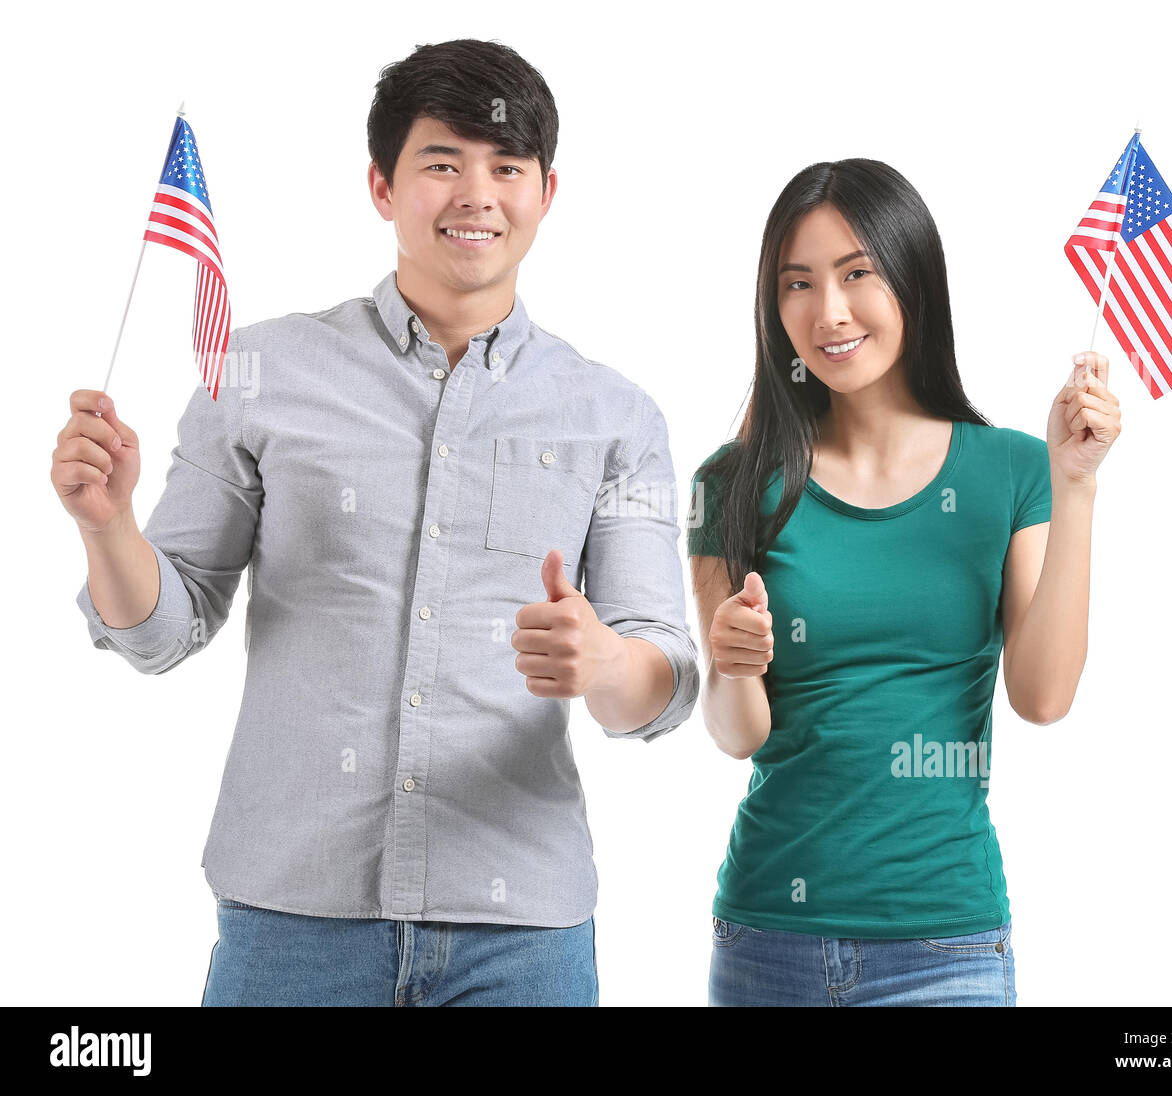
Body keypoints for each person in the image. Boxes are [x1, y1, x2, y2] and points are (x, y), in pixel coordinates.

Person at [50, 38, 699, 1007]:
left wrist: (603, 661)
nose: (475, 193)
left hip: (519, 932)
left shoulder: (615, 415)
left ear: (545, 194)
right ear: (381, 186)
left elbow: (660, 678)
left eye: (505, 166)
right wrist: (107, 527)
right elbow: (162, 628)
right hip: (291, 922)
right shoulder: (259, 373)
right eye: (442, 162)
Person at [687, 159, 1121, 1006]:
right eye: (797, 285)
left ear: (913, 281)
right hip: (767, 939)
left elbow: (1042, 696)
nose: (829, 313)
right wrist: (734, 664)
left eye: (857, 274)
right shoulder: (731, 481)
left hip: (946, 946)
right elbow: (738, 734)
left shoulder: (1012, 471)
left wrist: (1076, 487)